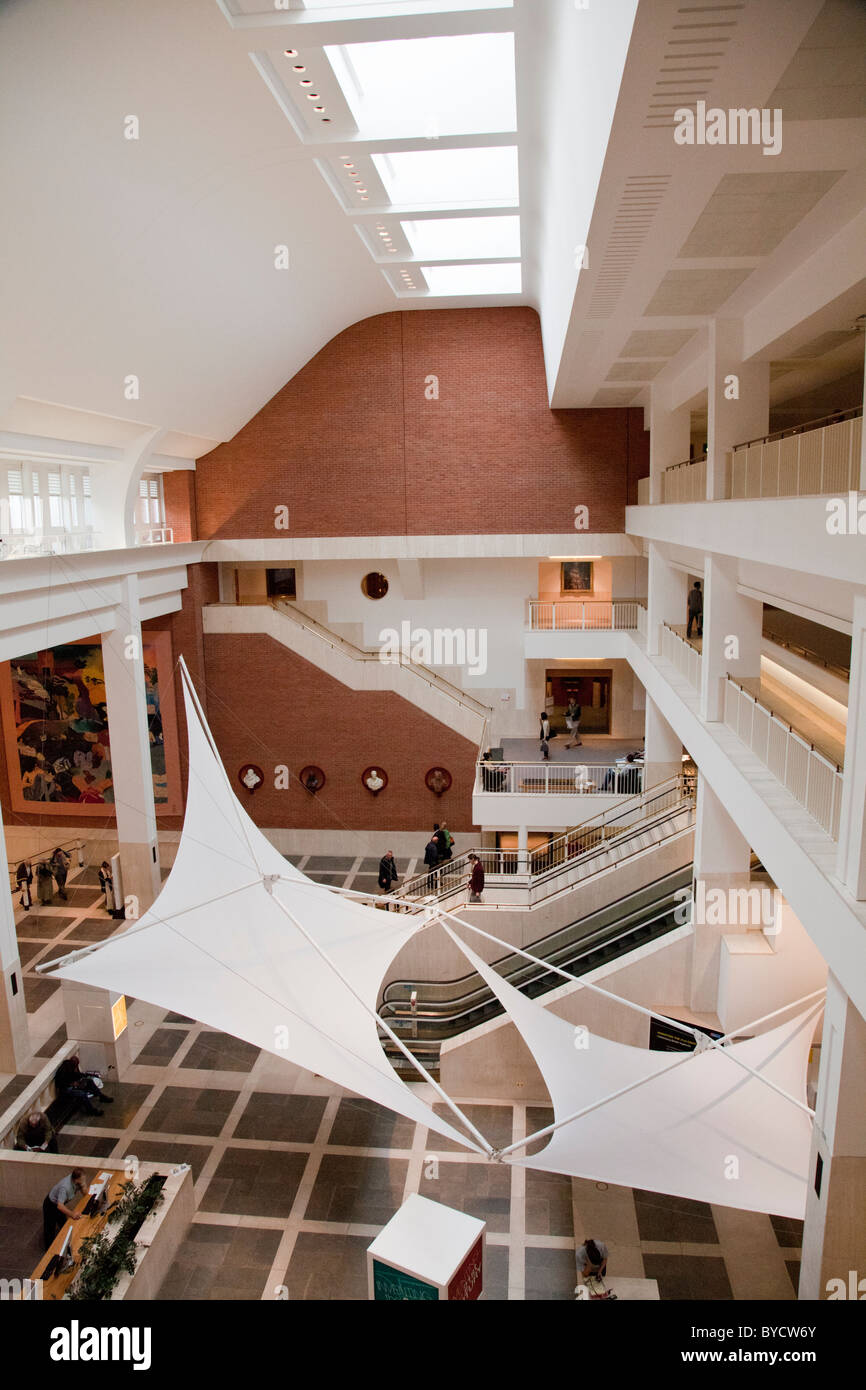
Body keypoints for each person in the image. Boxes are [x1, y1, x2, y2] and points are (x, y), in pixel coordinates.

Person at [43, 1169, 87, 1250]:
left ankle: (65, 1244)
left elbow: (85, 1193)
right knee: (49, 1228)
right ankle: (49, 1250)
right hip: (51, 1205)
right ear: (76, 1179)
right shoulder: (65, 1187)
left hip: (60, 1204)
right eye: (82, 1179)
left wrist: (83, 1184)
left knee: (63, 1224)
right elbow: (60, 1206)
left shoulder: (77, 1181)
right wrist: (72, 1214)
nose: (84, 1180)